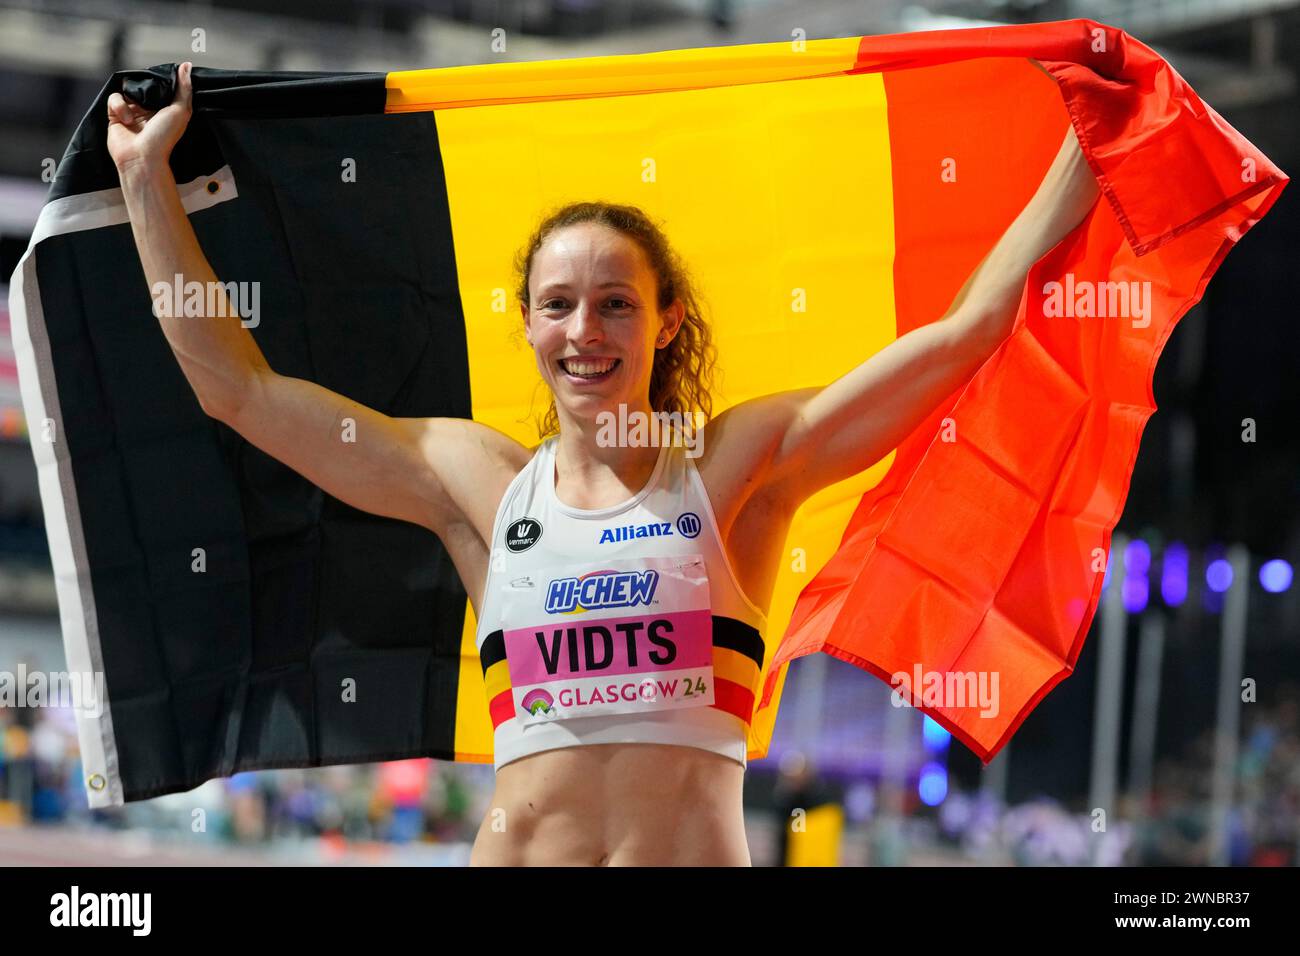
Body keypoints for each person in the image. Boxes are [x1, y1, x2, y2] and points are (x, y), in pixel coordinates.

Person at [106, 61, 1100, 866]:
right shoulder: (475, 482)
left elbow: (966, 332)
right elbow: (237, 392)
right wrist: (148, 184)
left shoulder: (736, 470)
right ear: (529, 324)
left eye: (616, 301)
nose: (586, 329)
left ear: (666, 319)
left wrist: (1087, 155)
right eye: (558, 303)